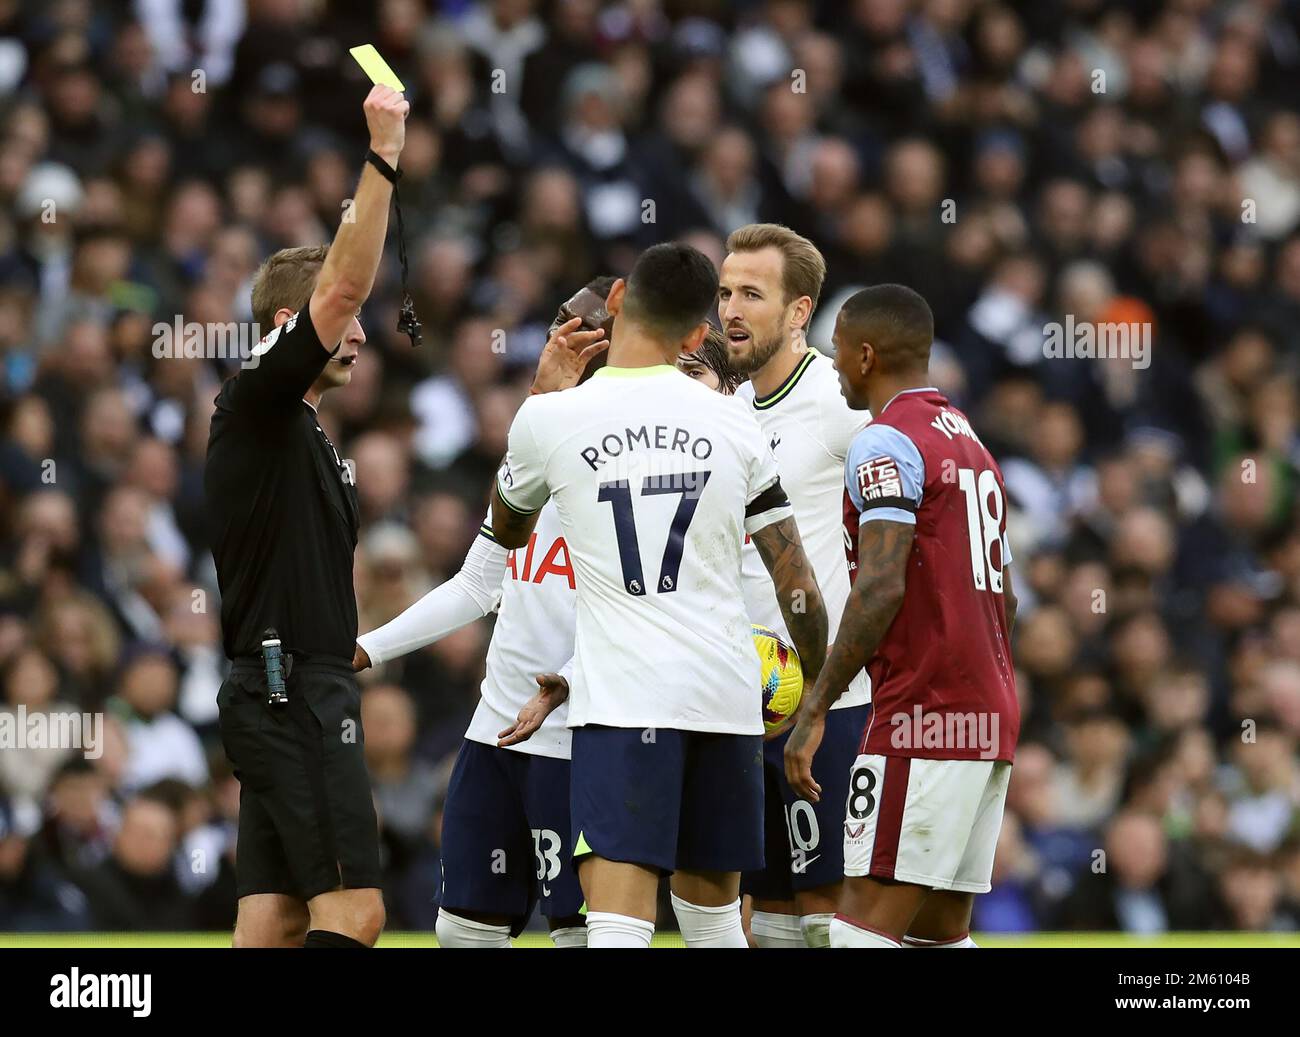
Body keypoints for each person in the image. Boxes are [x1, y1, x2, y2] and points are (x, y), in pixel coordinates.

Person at [490, 242, 829, 948]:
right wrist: (816, 694)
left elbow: (508, 526)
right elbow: (795, 582)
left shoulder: (552, 419)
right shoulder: (735, 419)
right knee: (713, 925)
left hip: (623, 702)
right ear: (697, 334)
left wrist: (545, 405)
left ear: (616, 300)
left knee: (617, 922)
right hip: (727, 700)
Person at [203, 84, 409, 948]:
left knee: (276, 921)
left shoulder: (295, 427)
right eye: (348, 319)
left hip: (285, 685)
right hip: (293, 695)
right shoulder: (259, 398)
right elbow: (339, 289)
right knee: (355, 914)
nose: (360, 334)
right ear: (293, 324)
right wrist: (383, 154)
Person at [353, 279, 614, 948]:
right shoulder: (526, 467)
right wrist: (369, 647)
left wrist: (570, 681)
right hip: (493, 735)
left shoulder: (628, 486)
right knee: (463, 934)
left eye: (568, 331)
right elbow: (475, 585)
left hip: (579, 744)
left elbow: (656, 615)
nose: (549, 347)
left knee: (578, 934)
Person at [784, 284, 1020, 949]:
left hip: (924, 711)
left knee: (860, 930)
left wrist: (817, 705)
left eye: (836, 352)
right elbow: (1008, 595)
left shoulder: (883, 441)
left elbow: (881, 584)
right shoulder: (970, 441)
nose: (832, 367)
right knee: (939, 934)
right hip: (986, 711)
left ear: (866, 355)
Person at [718, 223, 872, 948]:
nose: (731, 311)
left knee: (828, 918)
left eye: (753, 293)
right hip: (748, 704)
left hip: (832, 701)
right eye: (724, 292)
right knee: (764, 920)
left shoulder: (840, 407)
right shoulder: (723, 414)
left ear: (800, 311)